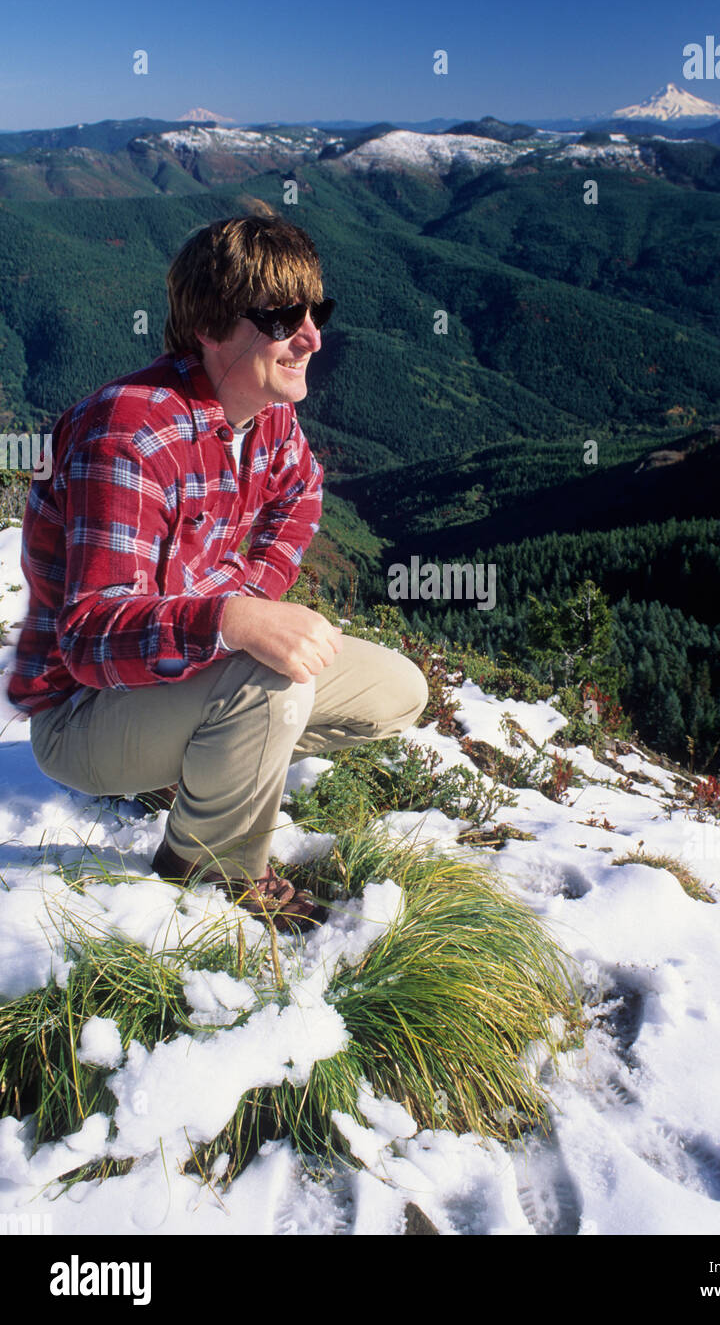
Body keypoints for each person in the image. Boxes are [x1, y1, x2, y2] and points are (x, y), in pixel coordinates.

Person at [7, 213, 429, 931]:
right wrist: (232, 621)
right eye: (280, 317)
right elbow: (88, 636)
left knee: (399, 693)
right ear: (207, 326)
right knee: (269, 677)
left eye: (316, 311)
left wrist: (251, 595)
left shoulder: (264, 413)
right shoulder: (130, 435)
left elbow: (301, 495)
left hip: (175, 678)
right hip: (84, 714)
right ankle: (207, 869)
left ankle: (201, 770)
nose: (312, 337)